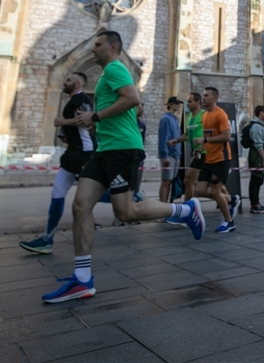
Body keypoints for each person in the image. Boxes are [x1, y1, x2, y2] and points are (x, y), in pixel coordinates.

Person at [41, 31, 205, 303]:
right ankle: (82, 280)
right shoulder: (108, 74)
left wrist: (96, 115)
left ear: (113, 47)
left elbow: (133, 99)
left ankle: (186, 210)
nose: (93, 49)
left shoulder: (116, 68)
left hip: (122, 150)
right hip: (104, 149)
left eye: (98, 44)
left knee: (126, 212)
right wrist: (98, 122)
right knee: (81, 205)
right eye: (92, 44)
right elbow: (132, 109)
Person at [20, 72, 96, 254]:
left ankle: (132, 198)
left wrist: (62, 122)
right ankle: (47, 240)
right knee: (57, 192)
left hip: (82, 153)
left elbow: (86, 121)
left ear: (78, 84)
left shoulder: (81, 99)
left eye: (69, 80)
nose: (65, 82)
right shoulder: (73, 100)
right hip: (72, 153)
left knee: (93, 193)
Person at [197, 87, 238, 233]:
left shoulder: (221, 114)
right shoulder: (204, 116)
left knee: (215, 192)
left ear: (214, 98)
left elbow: (226, 136)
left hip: (222, 158)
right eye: (203, 95)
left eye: (206, 95)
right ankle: (230, 199)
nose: (203, 98)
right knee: (200, 190)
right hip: (209, 159)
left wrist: (205, 139)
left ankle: (229, 222)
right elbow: (208, 138)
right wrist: (201, 147)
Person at [158, 96, 183, 205]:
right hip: (169, 154)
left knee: (170, 181)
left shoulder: (175, 119)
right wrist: (165, 155)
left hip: (175, 154)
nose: (178, 106)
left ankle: (167, 205)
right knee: (166, 181)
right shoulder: (165, 119)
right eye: (176, 103)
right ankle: (162, 205)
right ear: (170, 105)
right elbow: (163, 137)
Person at [247, 105, 264, 214]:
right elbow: (258, 144)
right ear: (260, 113)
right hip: (256, 155)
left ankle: (256, 202)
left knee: (258, 180)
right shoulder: (256, 126)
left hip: (258, 155)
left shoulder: (260, 125)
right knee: (255, 180)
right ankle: (254, 204)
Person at [182, 92, 205, 201]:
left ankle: (188, 209)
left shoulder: (204, 115)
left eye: (190, 101)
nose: (188, 104)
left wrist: (201, 149)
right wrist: (176, 140)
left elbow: (210, 134)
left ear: (198, 102)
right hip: (197, 153)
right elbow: (187, 136)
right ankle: (231, 199)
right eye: (187, 101)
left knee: (188, 180)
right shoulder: (188, 117)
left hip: (204, 153)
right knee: (211, 184)